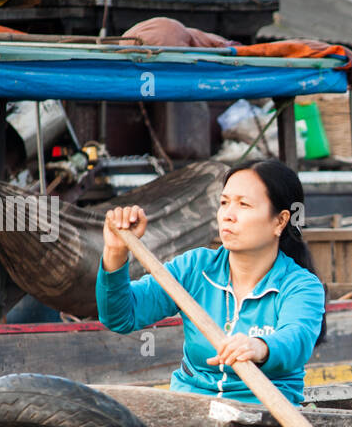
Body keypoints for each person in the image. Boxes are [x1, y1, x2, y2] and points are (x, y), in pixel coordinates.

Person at [97, 160, 326, 405]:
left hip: (263, 417)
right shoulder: (195, 268)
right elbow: (121, 316)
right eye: (224, 202)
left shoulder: (301, 286)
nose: (228, 215)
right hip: (190, 409)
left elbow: (297, 339)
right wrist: (115, 252)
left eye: (244, 204)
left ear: (280, 221)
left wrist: (260, 347)